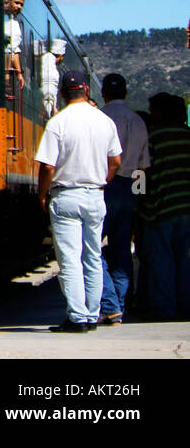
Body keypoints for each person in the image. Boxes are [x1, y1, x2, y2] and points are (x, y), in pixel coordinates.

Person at [35, 71, 121, 331]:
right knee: (93, 256)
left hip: (66, 196)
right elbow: (116, 161)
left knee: (70, 259)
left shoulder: (58, 123)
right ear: (86, 90)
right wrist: (100, 181)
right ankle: (93, 316)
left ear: (62, 93)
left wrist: (41, 194)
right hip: (95, 195)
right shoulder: (105, 122)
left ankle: (78, 317)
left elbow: (48, 167)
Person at [96, 73, 150, 324]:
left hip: (103, 185)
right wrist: (138, 198)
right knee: (121, 251)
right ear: (126, 93)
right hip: (130, 187)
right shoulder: (138, 121)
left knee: (91, 248)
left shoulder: (99, 119)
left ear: (103, 93)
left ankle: (110, 303)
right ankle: (119, 302)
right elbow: (142, 168)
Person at [140, 92, 190, 320]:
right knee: (185, 261)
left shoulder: (152, 137)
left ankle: (165, 309)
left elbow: (142, 174)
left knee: (163, 262)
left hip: (160, 208)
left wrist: (138, 200)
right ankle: (186, 305)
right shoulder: (187, 136)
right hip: (186, 207)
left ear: (159, 112)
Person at [3, 0, 26, 92]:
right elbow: (5, 50)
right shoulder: (3, 21)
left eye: (21, 4)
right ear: (7, 2)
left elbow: (14, 50)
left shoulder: (15, 24)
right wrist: (6, 74)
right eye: (16, 3)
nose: (19, 7)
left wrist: (19, 73)